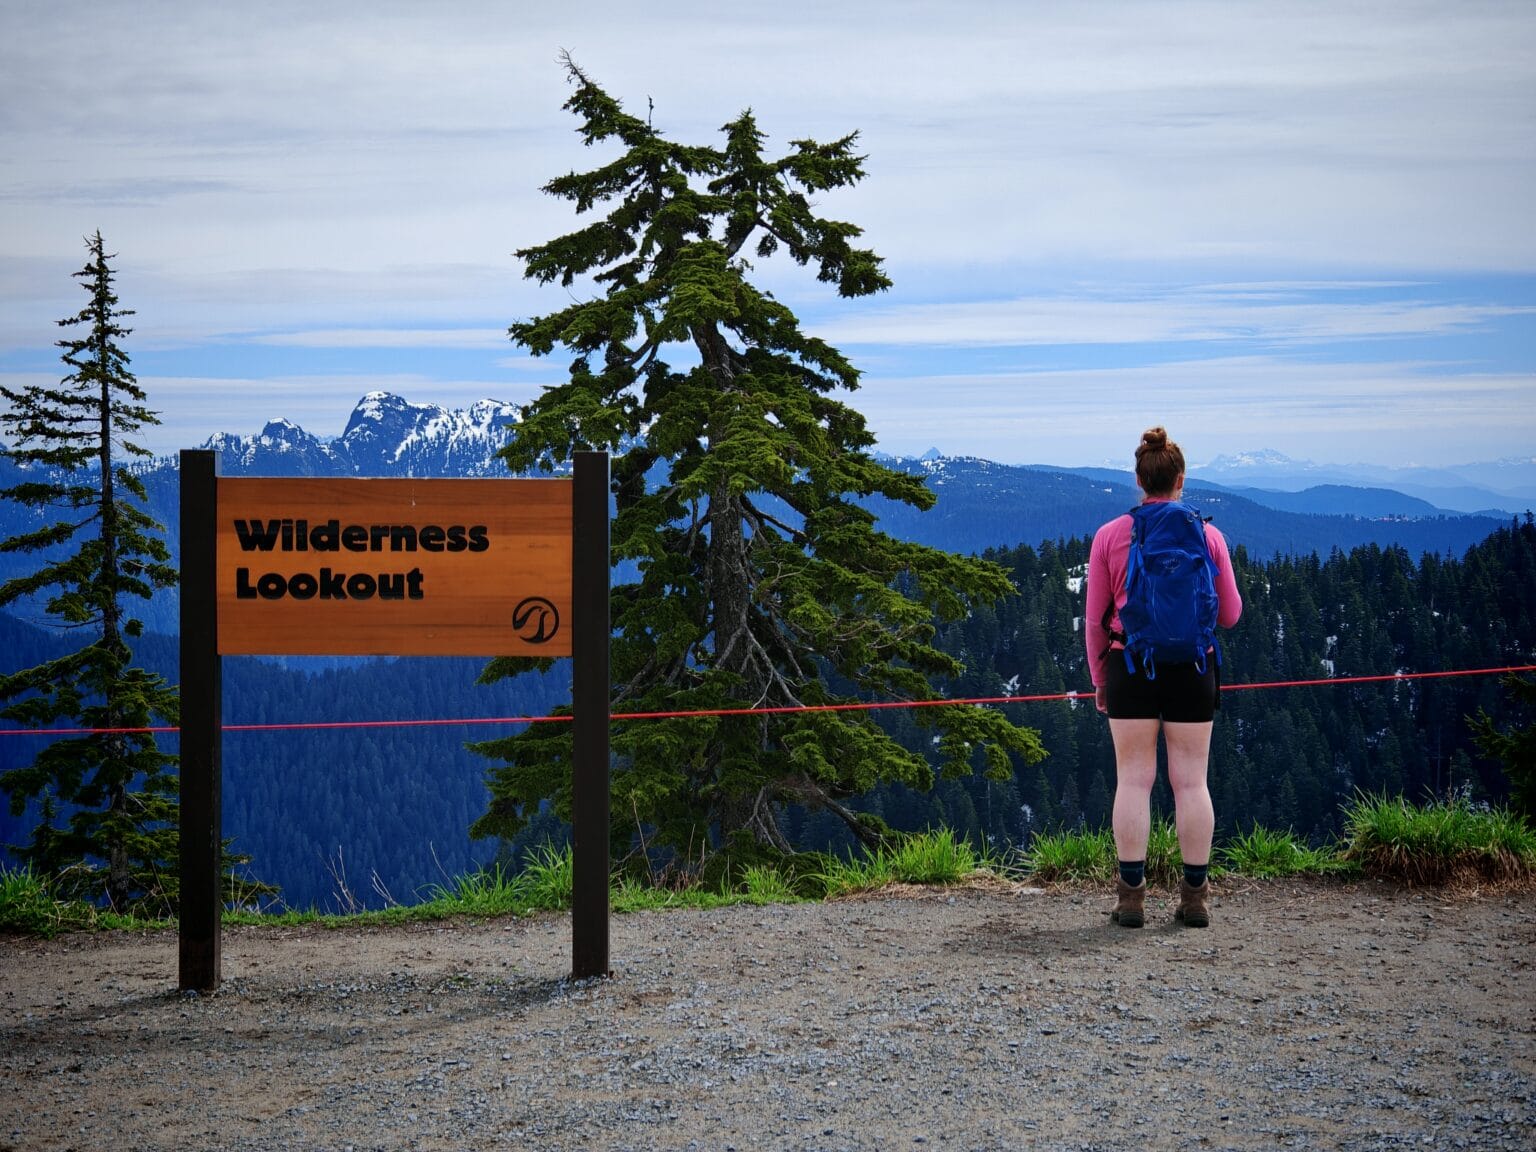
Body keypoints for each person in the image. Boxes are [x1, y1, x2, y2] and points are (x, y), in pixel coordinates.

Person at [1084, 427, 1242, 928]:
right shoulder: (1208, 535)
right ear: (1180, 479)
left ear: (1138, 479)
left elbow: (1094, 618)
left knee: (1133, 779)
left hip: (1128, 664)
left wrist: (1100, 678)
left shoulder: (1111, 536)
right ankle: (1194, 898)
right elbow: (1231, 615)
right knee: (1191, 782)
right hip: (1193, 668)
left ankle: (1131, 898)